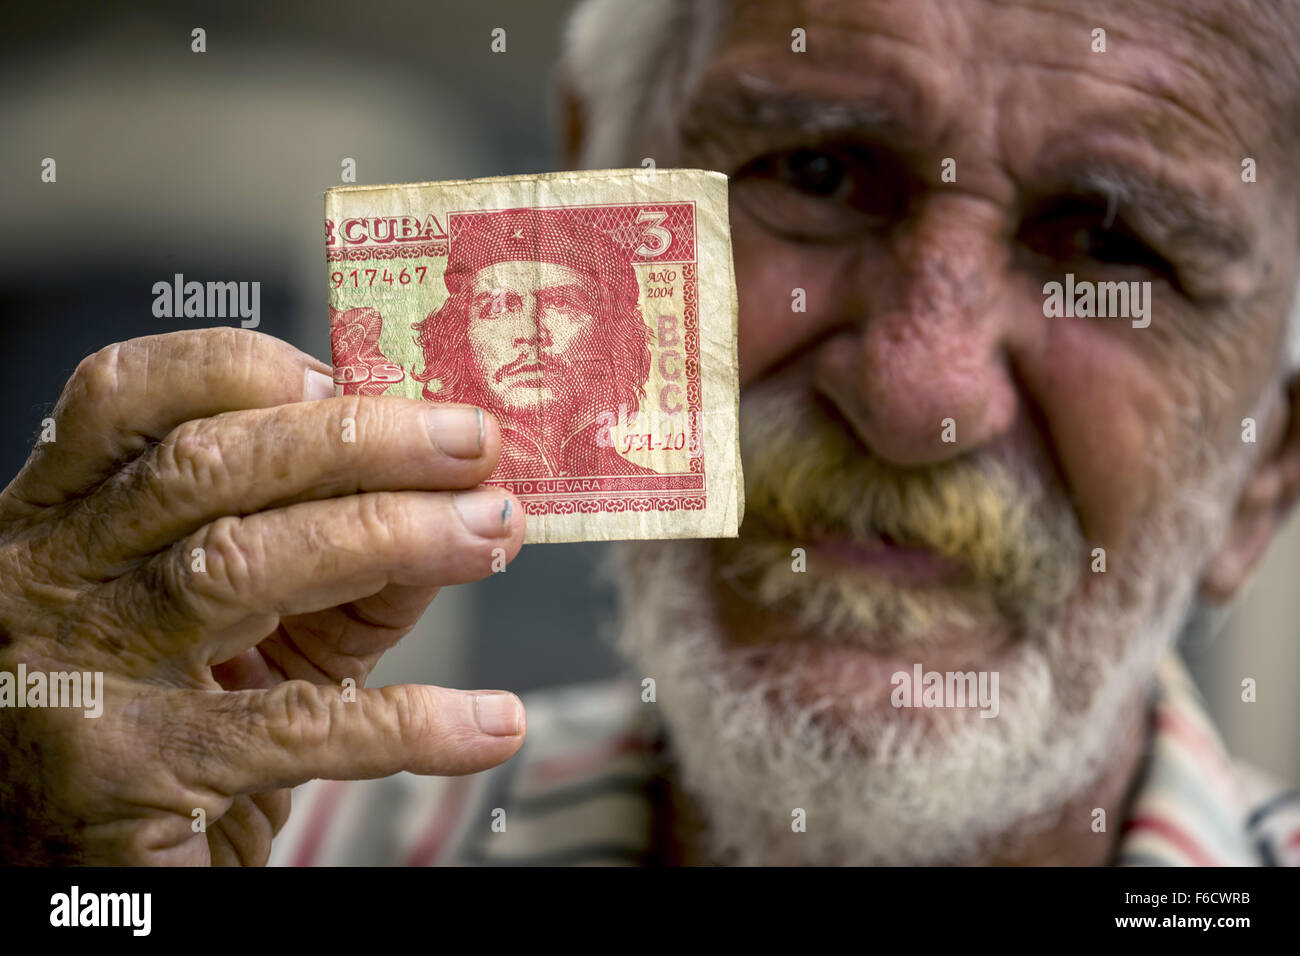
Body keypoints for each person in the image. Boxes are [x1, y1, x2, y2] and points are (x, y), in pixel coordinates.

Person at [3, 0, 1300, 866]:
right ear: (580, 197)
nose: (915, 396)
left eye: (1111, 244)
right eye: (820, 173)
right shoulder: (205, 846)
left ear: (1266, 476)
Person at [412, 207, 658, 479]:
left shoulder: (656, 496)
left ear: (611, 334)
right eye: (498, 307)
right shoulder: (421, 491)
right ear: (460, 338)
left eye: (561, 303)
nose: (529, 333)